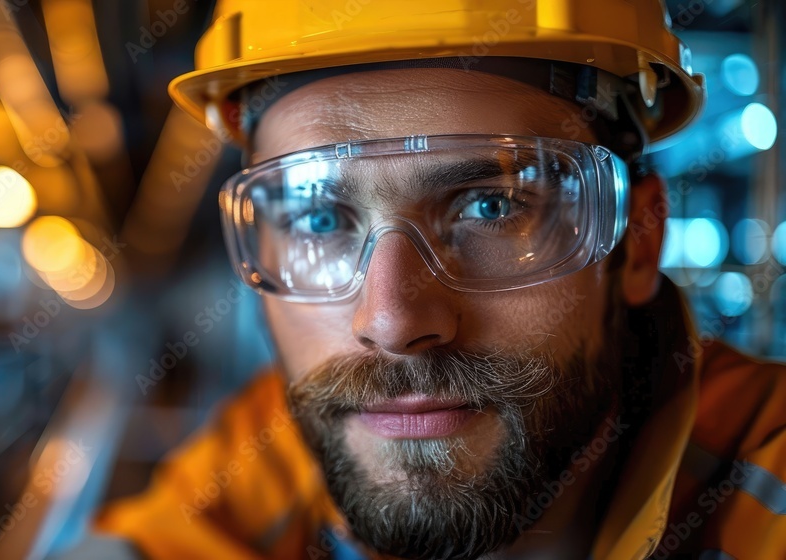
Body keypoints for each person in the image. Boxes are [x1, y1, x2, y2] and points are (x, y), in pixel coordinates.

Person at [94, 1, 786, 558]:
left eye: (492, 206)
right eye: (320, 218)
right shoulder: (272, 451)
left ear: (636, 244)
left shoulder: (763, 477)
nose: (391, 322)